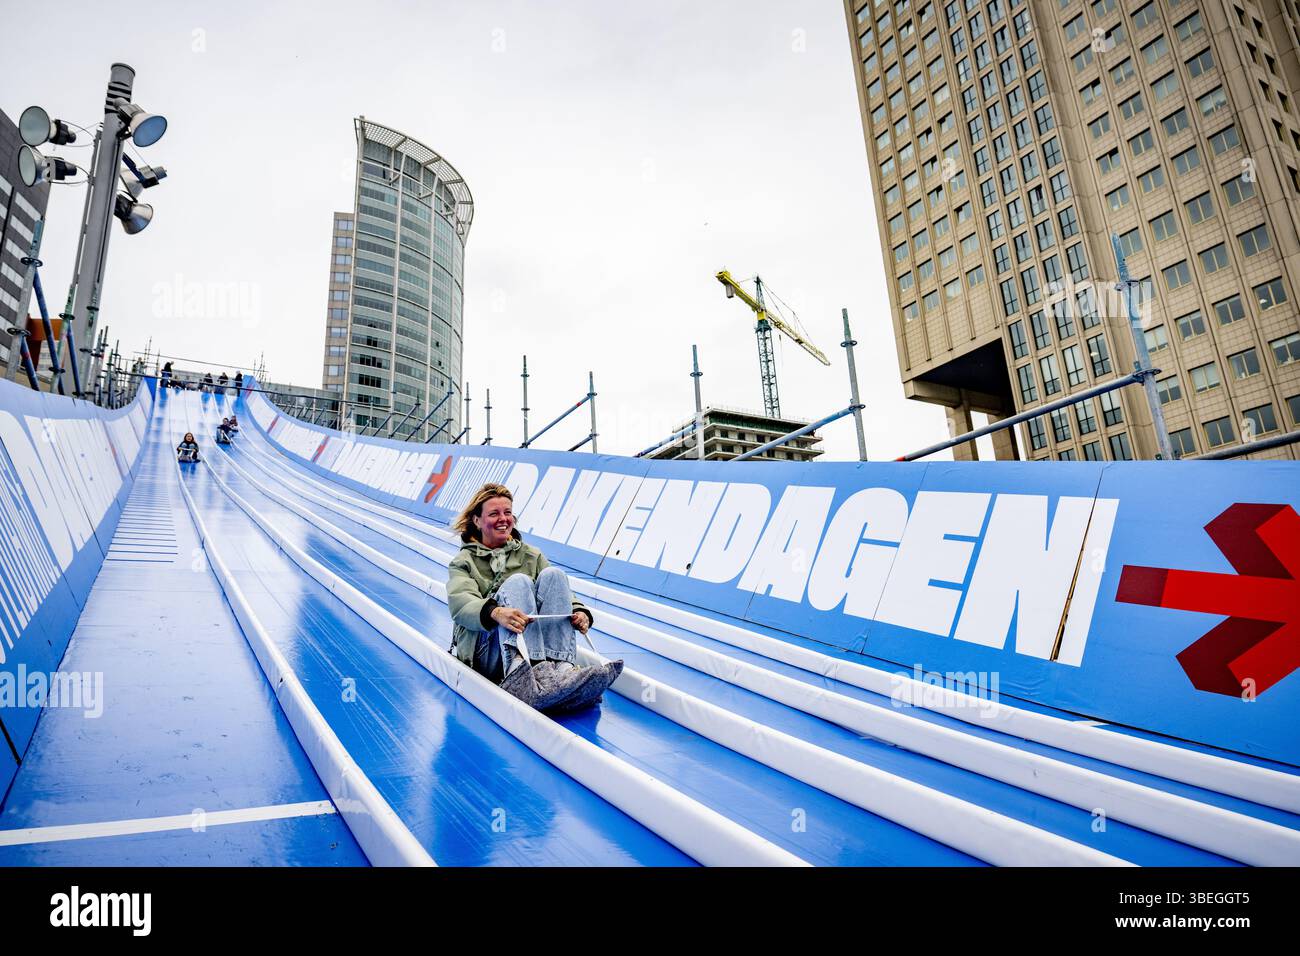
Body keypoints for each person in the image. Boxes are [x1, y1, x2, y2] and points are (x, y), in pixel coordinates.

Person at [447, 483, 622, 712]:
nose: (503, 519)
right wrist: (495, 612)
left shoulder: (530, 555)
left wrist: (580, 612)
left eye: (507, 512)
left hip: (539, 653)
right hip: (490, 653)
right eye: (494, 513)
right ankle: (523, 673)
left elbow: (563, 594)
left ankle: (561, 669)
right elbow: (461, 602)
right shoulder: (463, 562)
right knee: (519, 582)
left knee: (554, 575)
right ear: (477, 521)